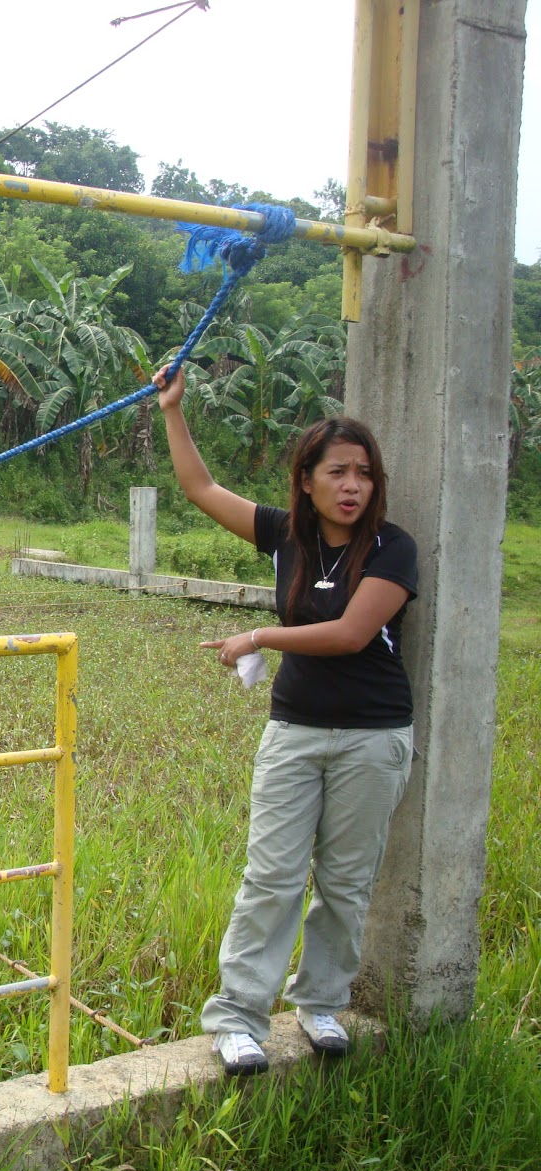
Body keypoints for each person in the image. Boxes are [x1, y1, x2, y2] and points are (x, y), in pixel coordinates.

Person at [153, 364, 417, 1076]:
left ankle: (322, 1001)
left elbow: (352, 635)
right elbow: (200, 489)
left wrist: (259, 638)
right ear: (307, 479)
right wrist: (174, 410)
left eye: (364, 472)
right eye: (337, 471)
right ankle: (239, 1018)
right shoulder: (285, 537)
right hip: (295, 733)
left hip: (374, 738)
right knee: (271, 876)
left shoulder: (393, 547)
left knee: (345, 880)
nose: (352, 485)